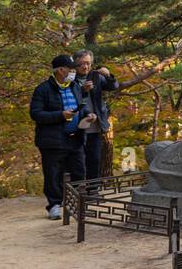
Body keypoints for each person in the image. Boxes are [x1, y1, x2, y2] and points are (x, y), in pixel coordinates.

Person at [30, 55, 95, 219]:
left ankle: (79, 204)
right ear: (60, 70)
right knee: (53, 174)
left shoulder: (74, 86)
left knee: (79, 171)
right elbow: (36, 114)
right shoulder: (43, 89)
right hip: (52, 140)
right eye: (71, 69)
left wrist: (89, 115)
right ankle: (54, 206)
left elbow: (80, 108)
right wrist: (60, 115)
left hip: (76, 138)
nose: (74, 72)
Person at [74, 49, 118, 180]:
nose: (85, 66)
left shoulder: (95, 76)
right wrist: (83, 90)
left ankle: (93, 192)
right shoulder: (69, 79)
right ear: (75, 64)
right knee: (77, 162)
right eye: (81, 63)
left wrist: (109, 75)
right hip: (76, 127)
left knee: (94, 159)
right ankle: (77, 193)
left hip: (95, 126)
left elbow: (114, 86)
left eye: (87, 63)